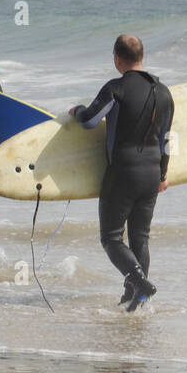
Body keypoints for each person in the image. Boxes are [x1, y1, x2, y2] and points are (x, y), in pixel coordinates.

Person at [69, 35, 173, 312]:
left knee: (112, 238)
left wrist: (77, 110)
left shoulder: (116, 88)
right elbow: (167, 138)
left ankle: (140, 283)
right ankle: (133, 299)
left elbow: (90, 120)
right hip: (152, 174)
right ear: (142, 55)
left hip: (123, 173)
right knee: (140, 236)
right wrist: (163, 174)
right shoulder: (163, 91)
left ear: (117, 57)